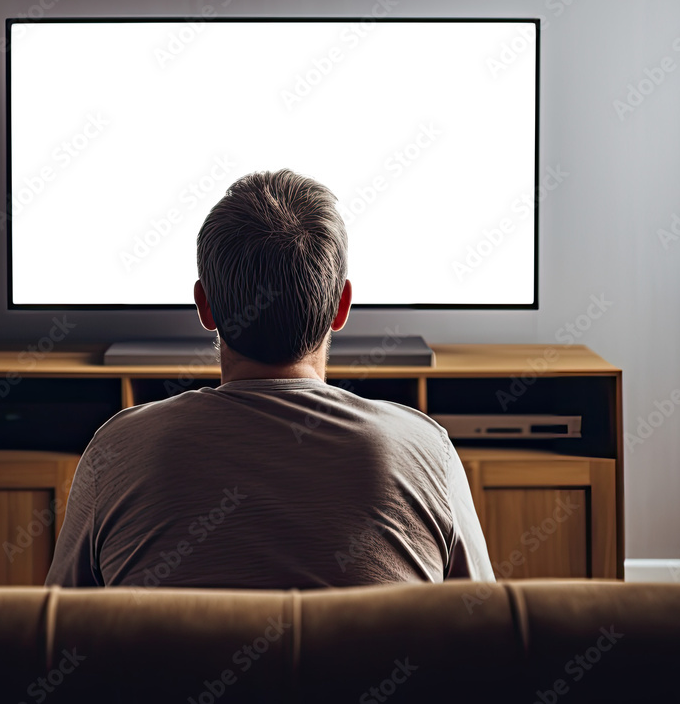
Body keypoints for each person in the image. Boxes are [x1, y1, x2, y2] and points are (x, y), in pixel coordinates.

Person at [45, 169, 494, 588]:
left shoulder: (116, 450)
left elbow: (56, 635)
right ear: (342, 306)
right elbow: (487, 638)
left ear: (204, 305)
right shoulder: (426, 452)